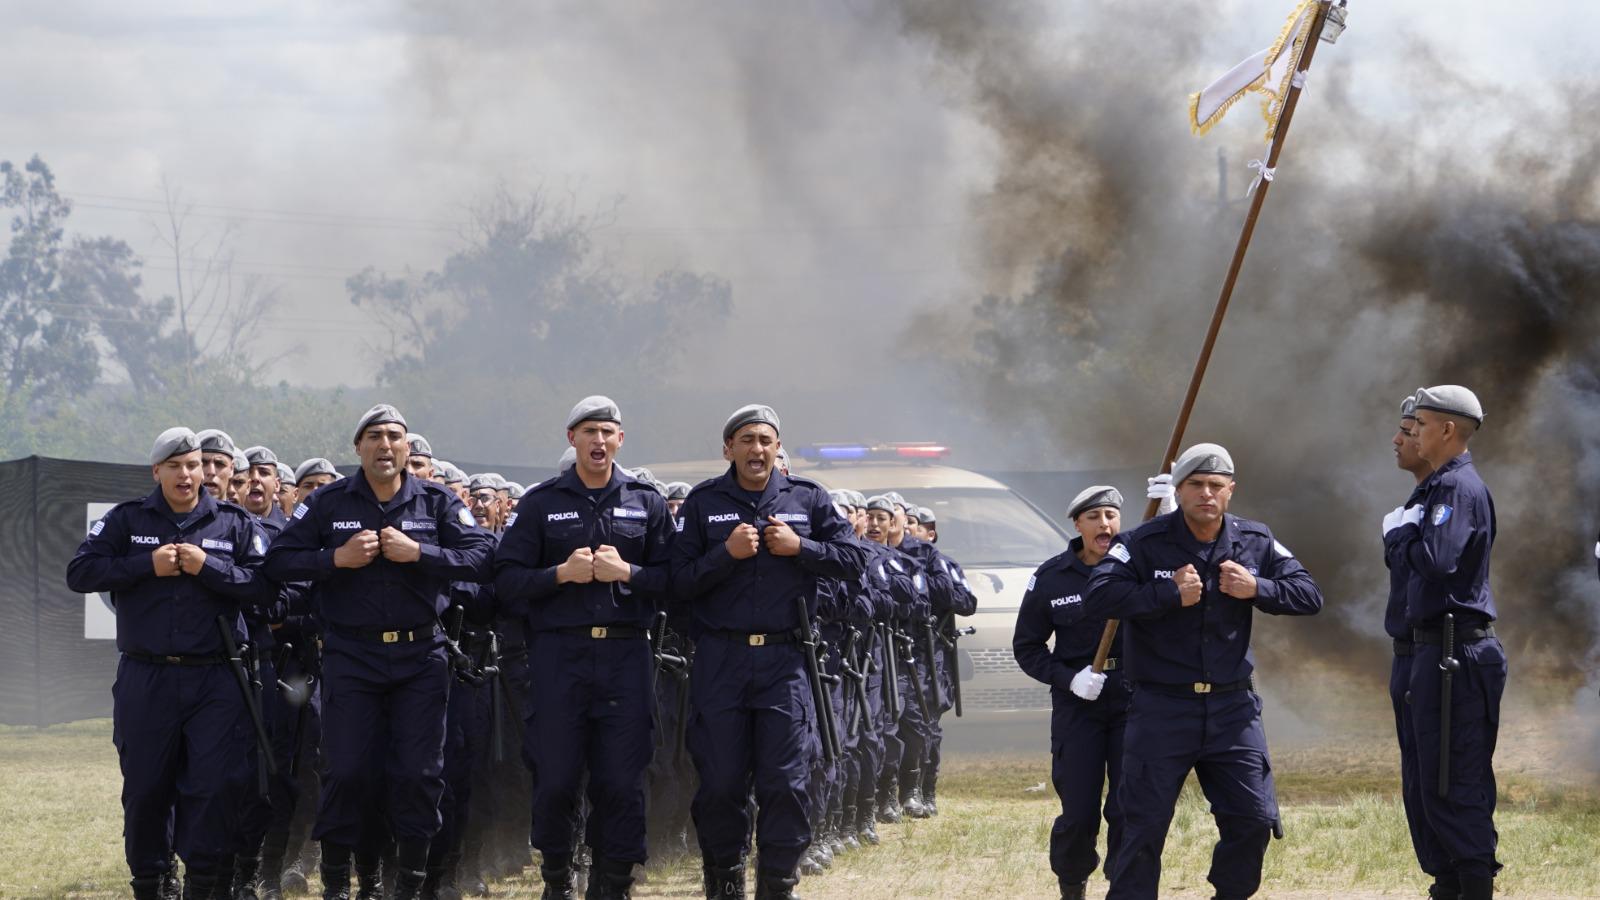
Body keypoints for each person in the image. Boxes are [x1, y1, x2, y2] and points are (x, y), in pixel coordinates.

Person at [262, 405, 494, 900]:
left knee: (418, 774)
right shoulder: (326, 503)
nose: (384, 445)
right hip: (352, 656)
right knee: (347, 770)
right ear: (358, 448)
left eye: (394, 436)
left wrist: (422, 555)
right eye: (373, 437)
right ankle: (342, 883)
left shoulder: (436, 502)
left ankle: (407, 886)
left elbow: (482, 555)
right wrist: (334, 560)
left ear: (407, 447)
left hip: (420, 658)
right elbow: (278, 559)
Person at [1083, 442, 1323, 900]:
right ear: (1179, 489)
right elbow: (1098, 597)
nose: (1206, 494)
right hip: (1162, 708)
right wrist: (1166, 595)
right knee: (1142, 827)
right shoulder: (1142, 542)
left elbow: (1309, 594)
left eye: (1216, 485)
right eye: (1196, 484)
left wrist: (1258, 587)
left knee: (1253, 819)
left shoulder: (1255, 539)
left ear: (1231, 490)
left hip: (1233, 708)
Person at [67, 427, 274, 900]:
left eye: (194, 464)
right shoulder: (126, 520)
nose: (187, 474)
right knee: (145, 789)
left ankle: (203, 883)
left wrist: (209, 567)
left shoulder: (234, 523)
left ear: (205, 470)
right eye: (176, 466)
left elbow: (266, 589)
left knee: (214, 787)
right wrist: (145, 565)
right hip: (147, 675)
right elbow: (80, 572)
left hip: (216, 677)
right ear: (157, 471)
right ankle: (151, 882)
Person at [670, 404, 865, 900]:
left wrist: (802, 547)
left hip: (786, 662)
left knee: (786, 781)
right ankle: (725, 878)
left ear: (779, 448)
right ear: (728, 449)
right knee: (720, 781)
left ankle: (778, 882)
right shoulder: (703, 502)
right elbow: (676, 581)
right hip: (721, 660)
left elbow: (855, 559)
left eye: (766, 440)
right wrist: (724, 554)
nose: (757, 450)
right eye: (747, 440)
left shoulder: (809, 499)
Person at [493, 396, 675, 900]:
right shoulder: (541, 502)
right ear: (571, 438)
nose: (598, 440)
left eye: (607, 431)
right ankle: (557, 878)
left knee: (621, 779)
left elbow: (678, 581)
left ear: (621, 440)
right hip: (559, 657)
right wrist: (558, 575)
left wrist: (630, 574)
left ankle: (612, 883)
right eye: (588, 430)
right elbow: (505, 581)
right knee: (555, 777)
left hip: (625, 656)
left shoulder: (646, 502)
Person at [1385, 386, 1506, 900]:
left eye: (1420, 425)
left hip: (1454, 654)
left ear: (1447, 430)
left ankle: (1471, 885)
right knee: (1427, 783)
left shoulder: (1457, 488)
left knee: (1450, 781)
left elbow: (1437, 562)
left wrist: (1397, 535)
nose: (1411, 433)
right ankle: (1450, 885)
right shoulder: (1437, 489)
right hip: (1429, 653)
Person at [1013, 486, 1131, 900]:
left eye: (1112, 516)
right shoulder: (1051, 578)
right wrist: (1068, 679)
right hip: (1078, 704)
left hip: (1132, 700)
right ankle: (1072, 884)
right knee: (1079, 810)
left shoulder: (1135, 566)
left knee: (1127, 805)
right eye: (1095, 516)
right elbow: (1026, 648)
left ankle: (1124, 885)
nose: (1106, 524)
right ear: (1078, 524)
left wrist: (1171, 514)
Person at [1380, 392, 1454, 899]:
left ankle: (1456, 880)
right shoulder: (1418, 503)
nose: (1399, 439)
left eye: (1410, 430)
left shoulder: (1449, 496)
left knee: (1441, 774)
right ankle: (1441, 879)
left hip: (1437, 652)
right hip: (1409, 654)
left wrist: (1399, 536)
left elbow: (1438, 565)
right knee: (1418, 778)